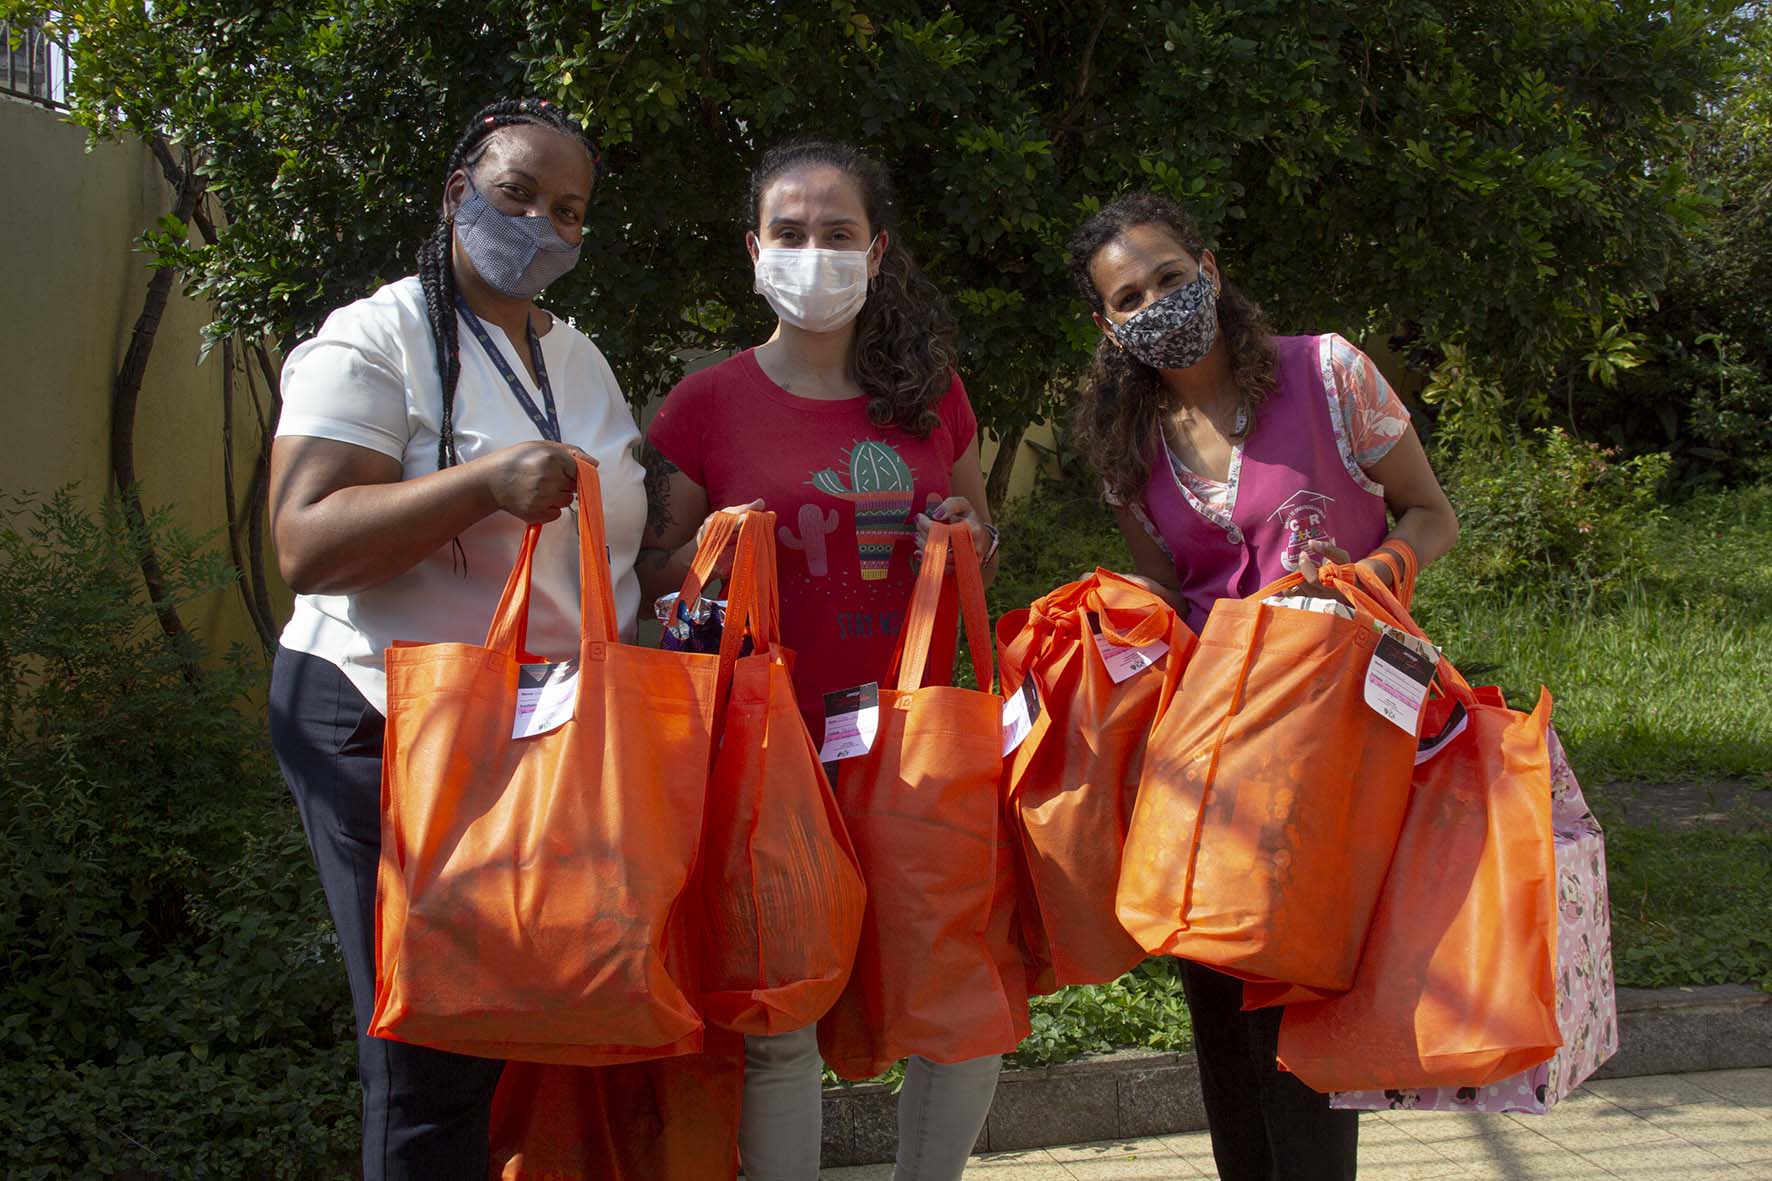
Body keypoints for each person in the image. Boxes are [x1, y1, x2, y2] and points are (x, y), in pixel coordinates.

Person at [266, 98, 648, 1181]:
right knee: (429, 1042)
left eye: (567, 210)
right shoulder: (373, 337)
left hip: (534, 738)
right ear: (455, 194)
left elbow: (611, 531)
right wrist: (480, 482)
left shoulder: (575, 357)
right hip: (386, 722)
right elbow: (304, 541)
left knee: (502, 1032)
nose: (540, 224)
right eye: (516, 193)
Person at [1064, 192, 1460, 1181]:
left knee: (1301, 1004)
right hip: (1206, 756)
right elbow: (1168, 587)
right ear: (1106, 325)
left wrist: (1386, 572)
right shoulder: (1129, 443)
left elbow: (1428, 513)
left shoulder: (1326, 372)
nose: (1155, 302)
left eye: (1167, 277)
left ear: (1208, 263)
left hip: (1336, 741)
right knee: (1219, 1009)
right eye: (1127, 296)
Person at [637, 140, 1001, 1181]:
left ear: (876, 250)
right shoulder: (703, 404)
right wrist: (706, 559)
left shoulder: (933, 394)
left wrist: (965, 533)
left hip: (915, 740)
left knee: (952, 1001)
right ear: (752, 251)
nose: (812, 253)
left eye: (836, 234)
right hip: (769, 751)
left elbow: (975, 520)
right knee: (778, 1016)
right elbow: (660, 571)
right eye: (788, 233)